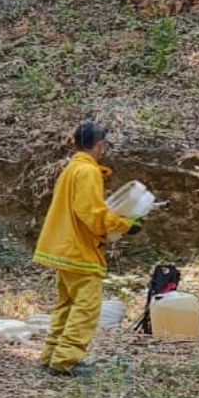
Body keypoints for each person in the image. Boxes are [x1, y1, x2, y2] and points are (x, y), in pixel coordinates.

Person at [32, 123, 141, 376]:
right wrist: (125, 225)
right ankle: (65, 361)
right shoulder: (87, 172)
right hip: (80, 251)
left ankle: (51, 356)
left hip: (64, 249)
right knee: (86, 309)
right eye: (104, 145)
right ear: (100, 145)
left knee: (66, 306)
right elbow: (92, 214)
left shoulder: (71, 169)